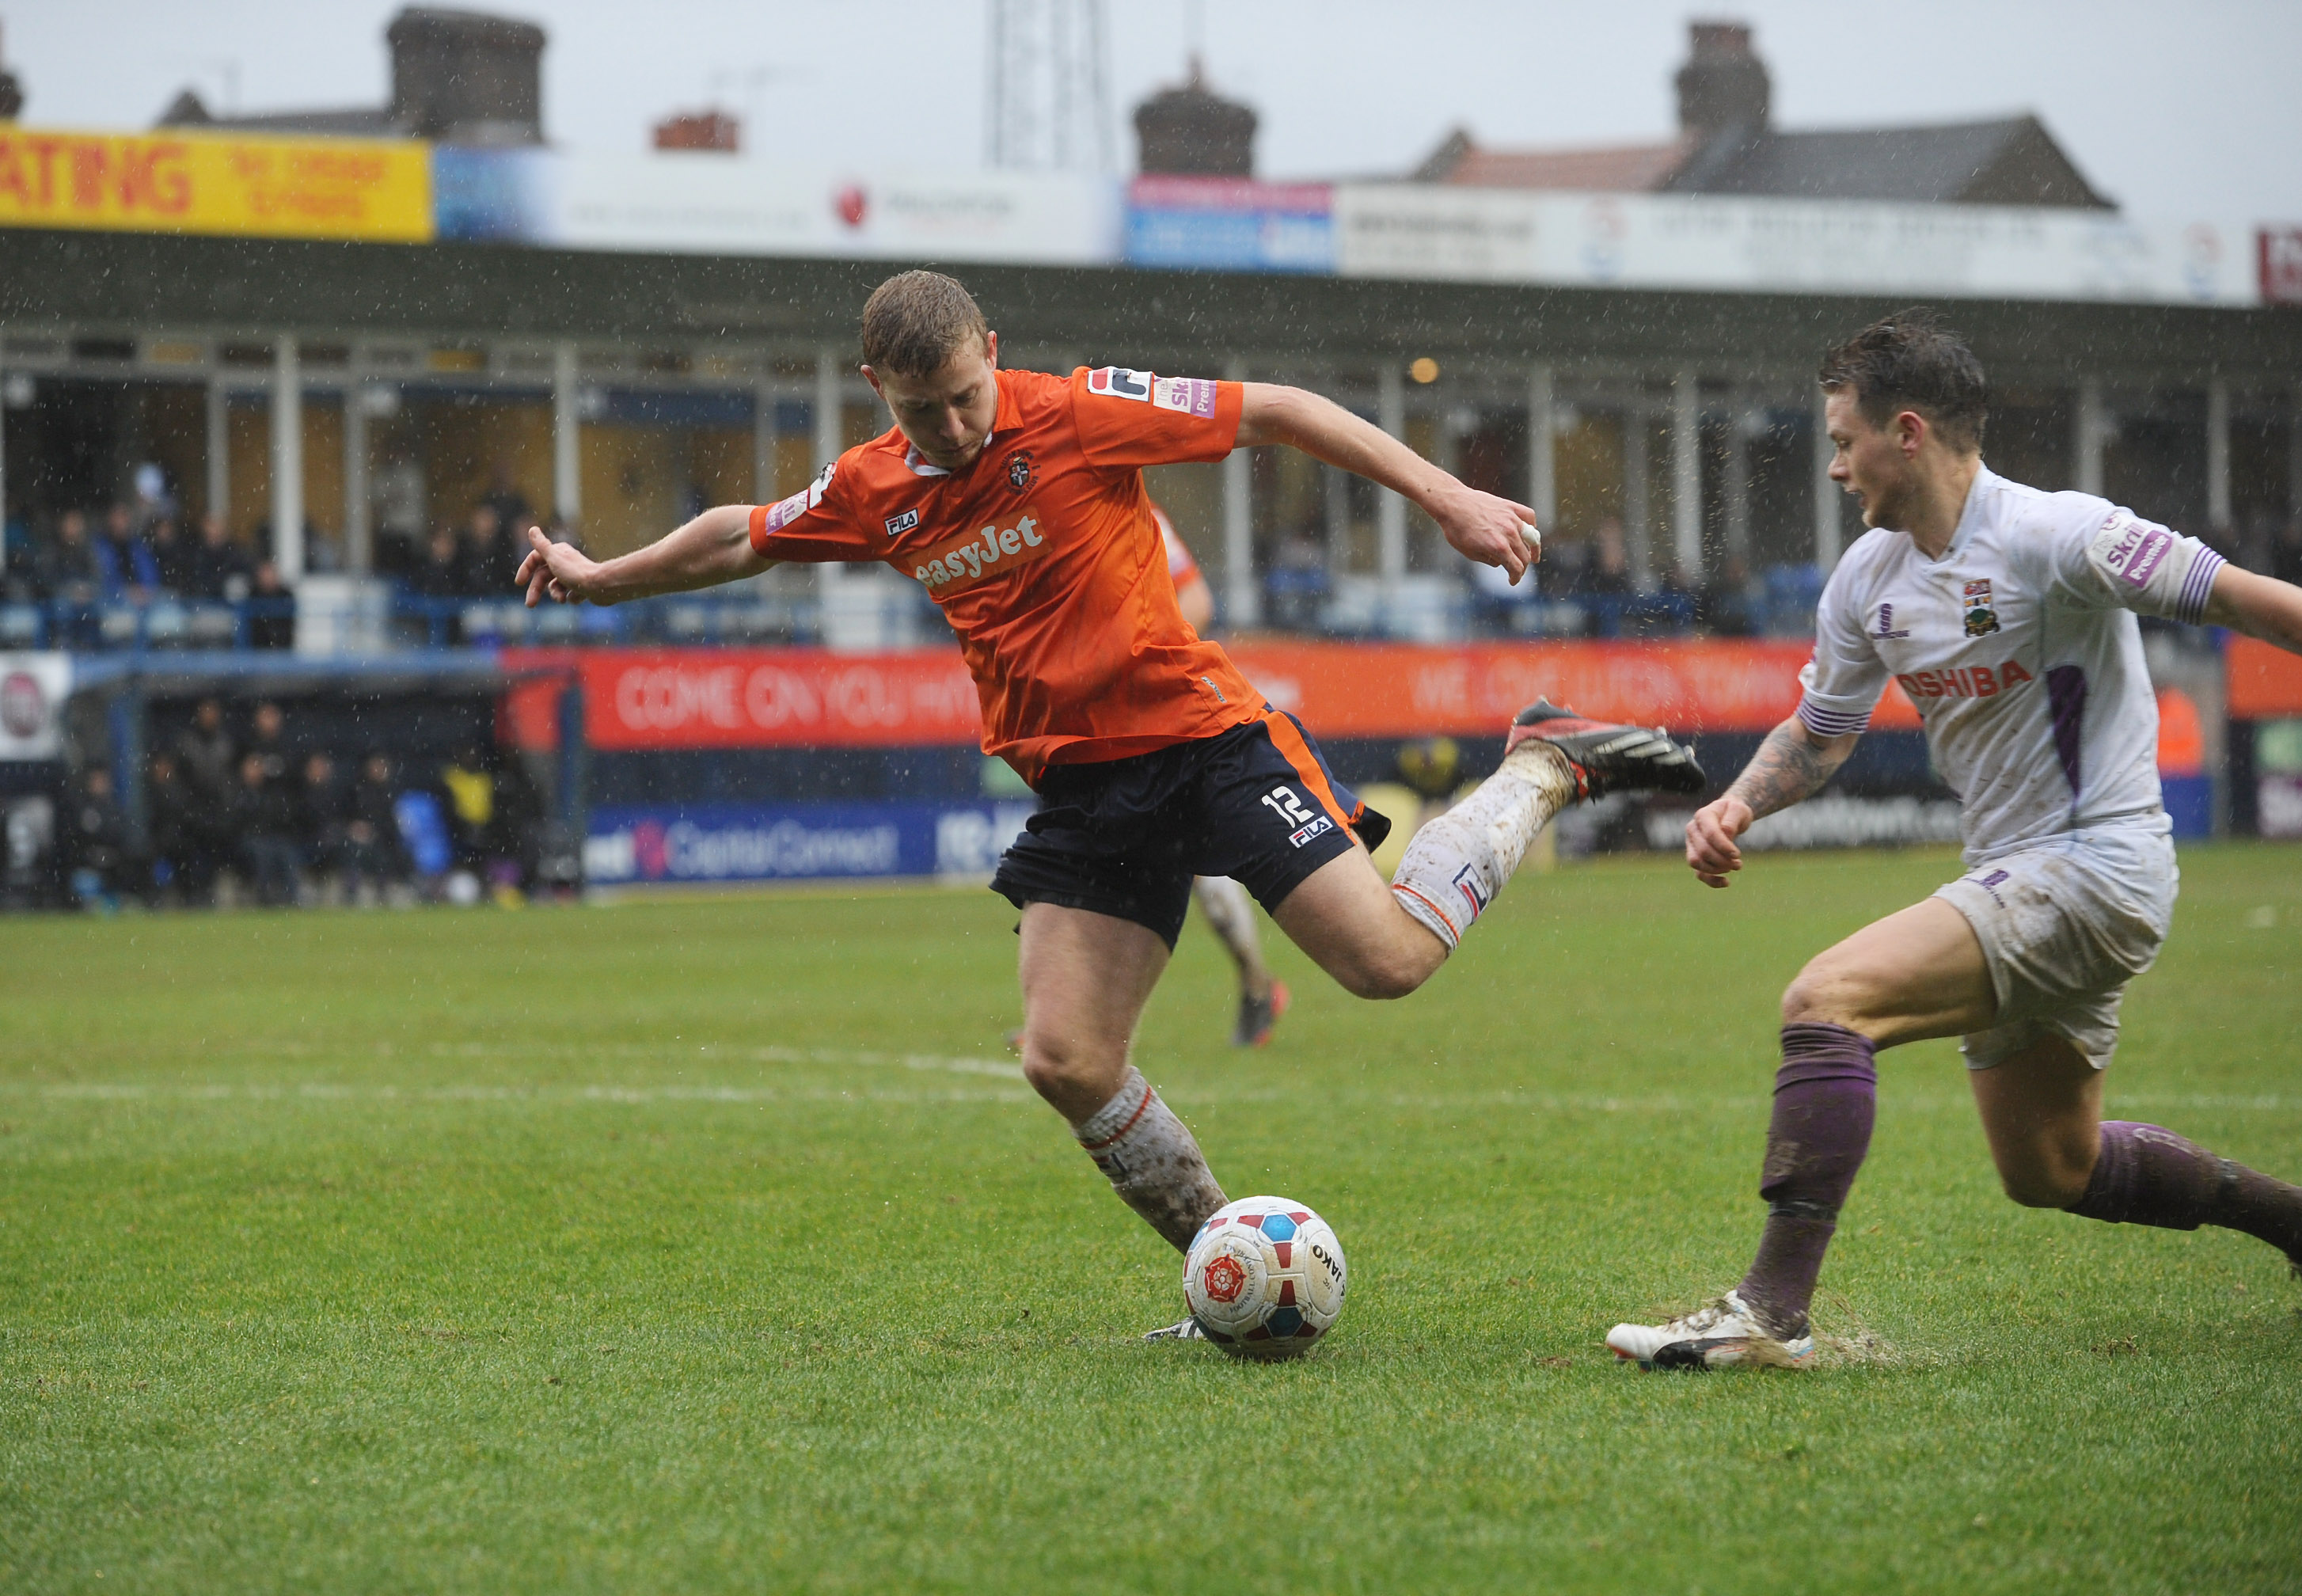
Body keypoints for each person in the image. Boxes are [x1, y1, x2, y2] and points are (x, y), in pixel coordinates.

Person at [515, 270, 1704, 1337]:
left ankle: (1545, 762)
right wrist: (604, 577)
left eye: (968, 394)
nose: (954, 426)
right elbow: (745, 533)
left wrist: (1448, 496)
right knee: (1066, 1057)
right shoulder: (876, 487)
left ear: (992, 347)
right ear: (877, 387)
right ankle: (1231, 1277)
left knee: (1385, 963)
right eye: (921, 409)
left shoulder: (1077, 411)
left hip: (1205, 742)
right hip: (1082, 788)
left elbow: (1281, 408)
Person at [1607, 311, 2302, 1370]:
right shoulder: (1868, 581)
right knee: (2052, 1168)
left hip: (2097, 866)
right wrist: (1740, 804)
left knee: (1825, 999)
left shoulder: (2060, 534)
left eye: (1845, 442)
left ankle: (1767, 1315)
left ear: (1910, 432)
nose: (1836, 466)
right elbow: (1821, 733)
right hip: (2021, 879)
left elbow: (2246, 602)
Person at [1155, 502, 1289, 1047]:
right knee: (1073, 857)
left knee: (1204, 878)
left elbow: (1198, 601)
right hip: (1087, 722)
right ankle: (1059, 1020)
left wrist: (1145, 660)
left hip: (1163, 713)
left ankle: (1258, 983)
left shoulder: (1141, 517)